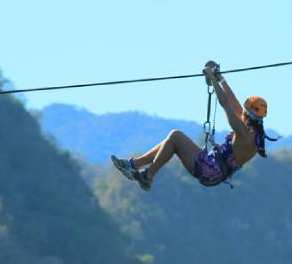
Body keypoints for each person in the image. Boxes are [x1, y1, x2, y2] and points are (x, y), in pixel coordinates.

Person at [111, 63, 276, 190]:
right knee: (172, 140)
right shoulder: (254, 133)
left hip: (209, 169)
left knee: (176, 136)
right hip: (214, 169)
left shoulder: (243, 133)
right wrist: (221, 79)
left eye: (244, 111)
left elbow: (226, 104)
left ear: (248, 114)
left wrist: (212, 77)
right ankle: (135, 165)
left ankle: (147, 176)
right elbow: (234, 103)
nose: (242, 112)